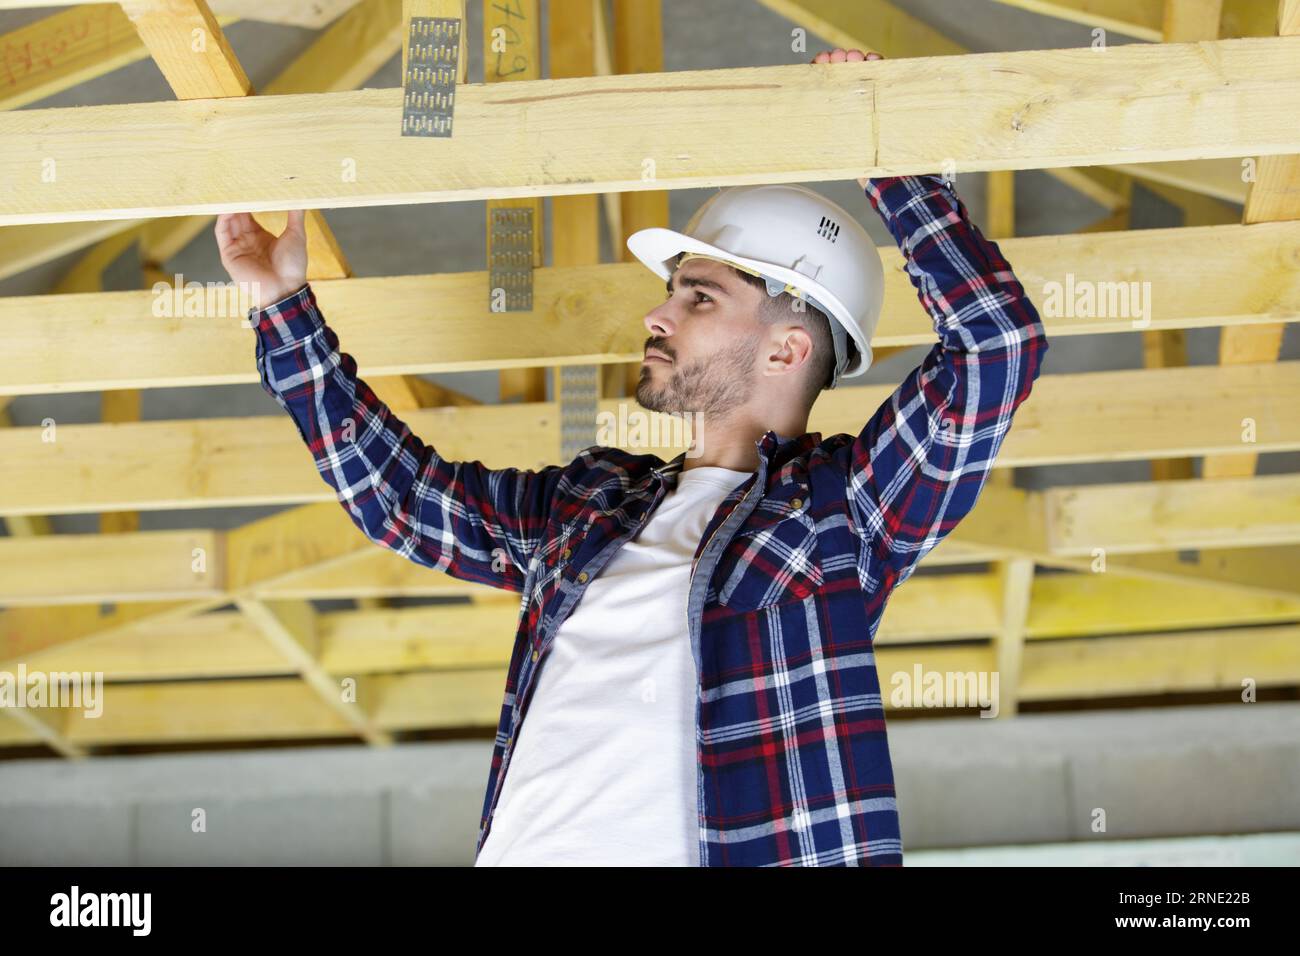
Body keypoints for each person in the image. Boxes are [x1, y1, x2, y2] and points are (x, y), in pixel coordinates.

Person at [216, 47, 1048, 867]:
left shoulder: (841, 512)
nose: (657, 313)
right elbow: (404, 503)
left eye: (699, 296)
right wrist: (282, 306)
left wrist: (886, 148)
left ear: (789, 350)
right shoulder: (592, 503)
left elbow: (998, 342)